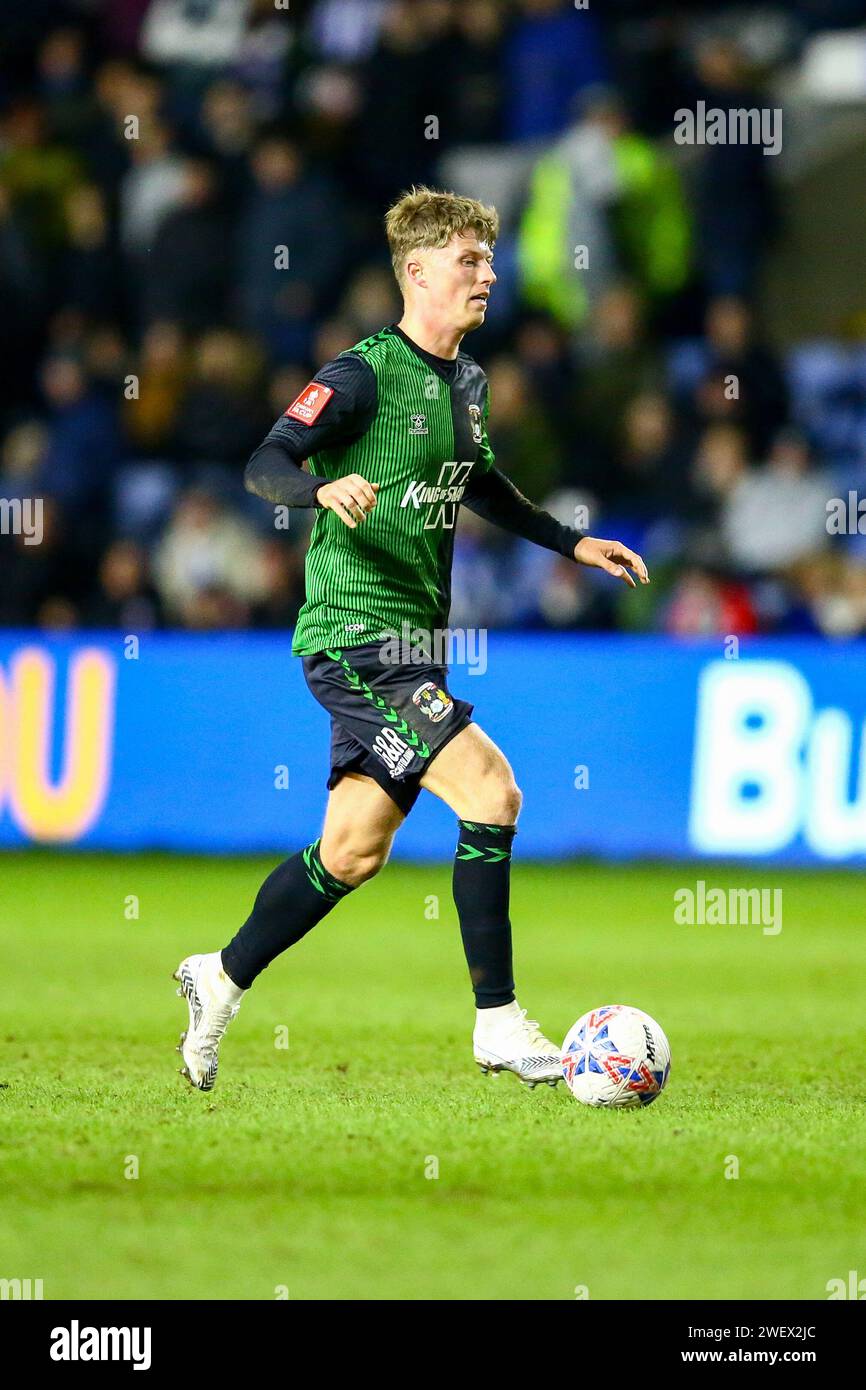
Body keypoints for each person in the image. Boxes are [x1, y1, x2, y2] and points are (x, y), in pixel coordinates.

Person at [173, 186, 649, 1092]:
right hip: (354, 635)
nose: (488, 274)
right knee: (492, 792)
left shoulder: (468, 382)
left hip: (411, 647)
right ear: (418, 271)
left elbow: (481, 482)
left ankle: (220, 976)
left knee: (353, 850)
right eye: (470, 260)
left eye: (488, 258)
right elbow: (265, 461)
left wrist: (570, 541)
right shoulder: (360, 374)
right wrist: (320, 490)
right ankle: (499, 1024)